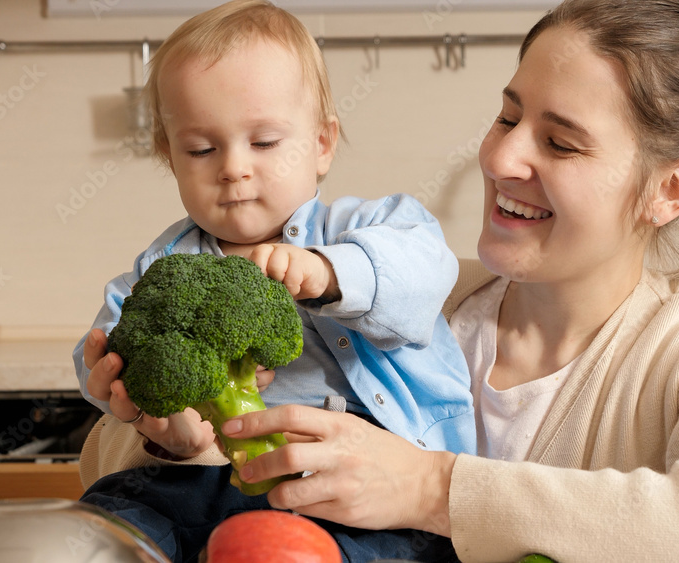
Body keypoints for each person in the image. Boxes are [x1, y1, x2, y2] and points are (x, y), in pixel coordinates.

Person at [83, 0, 679, 561]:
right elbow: (101, 459)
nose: (503, 161)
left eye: (560, 142)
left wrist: (434, 488)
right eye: (508, 119)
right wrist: (177, 442)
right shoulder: (407, 299)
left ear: (669, 190)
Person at [73, 1, 474, 561]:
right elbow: (113, 336)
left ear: (322, 145)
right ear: (170, 158)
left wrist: (331, 272)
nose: (233, 167)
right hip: (203, 478)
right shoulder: (162, 268)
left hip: (357, 481)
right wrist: (131, 388)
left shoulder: (362, 228)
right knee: (109, 520)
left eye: (263, 142)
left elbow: (427, 270)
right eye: (201, 149)